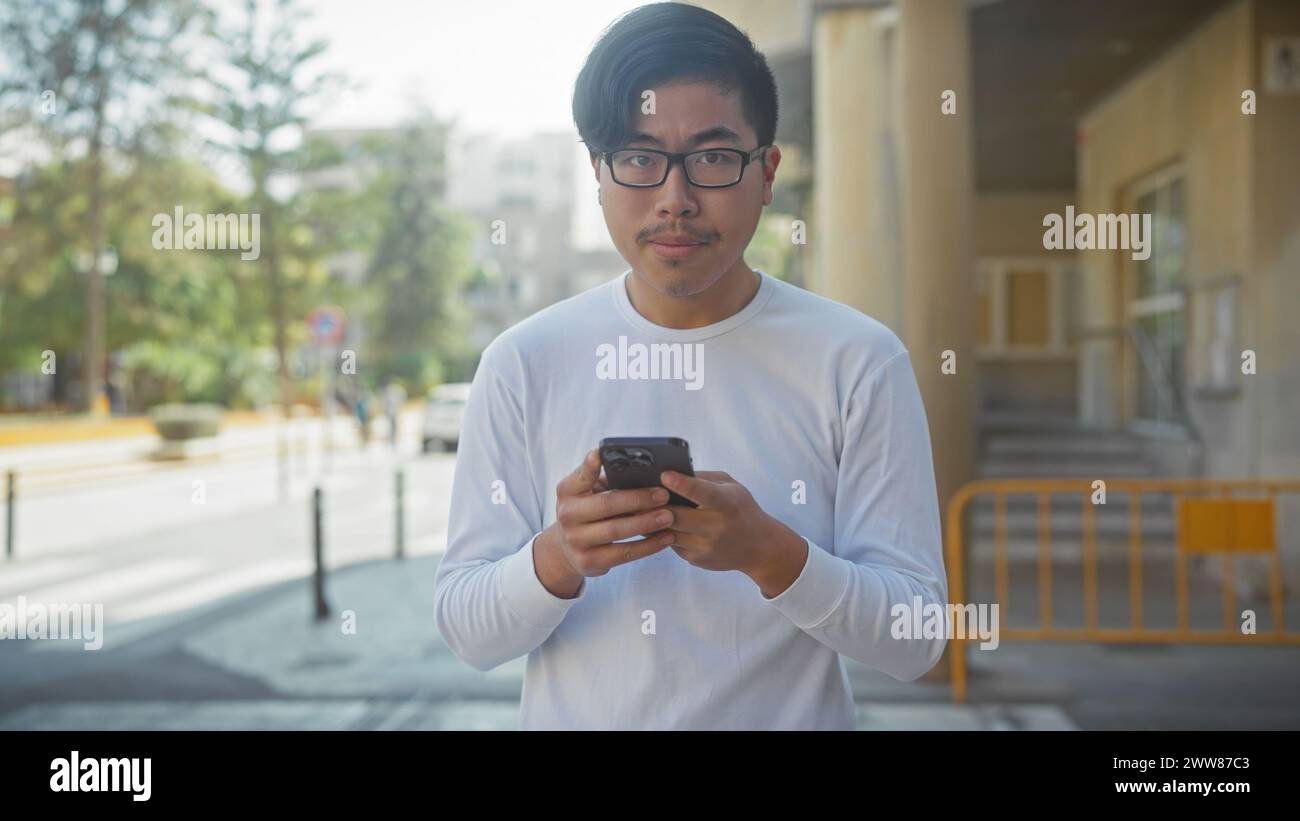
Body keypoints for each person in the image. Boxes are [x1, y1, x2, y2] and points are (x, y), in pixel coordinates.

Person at [434, 1, 947, 730]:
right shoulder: (524, 362)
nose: (676, 200)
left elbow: (917, 640)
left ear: (766, 172)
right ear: (598, 174)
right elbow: (467, 629)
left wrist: (771, 553)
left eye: (712, 157)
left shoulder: (857, 360)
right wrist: (559, 553)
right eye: (640, 159)